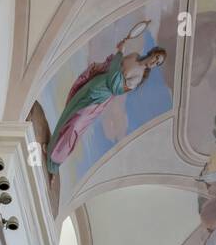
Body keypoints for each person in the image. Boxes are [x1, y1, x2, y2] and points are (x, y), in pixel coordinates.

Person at [45, 22, 167, 174]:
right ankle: (51, 149)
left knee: (77, 124)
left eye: (158, 63)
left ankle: (56, 159)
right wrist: (119, 52)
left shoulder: (139, 77)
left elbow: (115, 85)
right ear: (152, 53)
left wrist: (119, 56)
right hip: (95, 84)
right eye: (156, 58)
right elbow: (113, 66)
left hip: (101, 96)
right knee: (70, 113)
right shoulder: (135, 56)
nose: (154, 62)